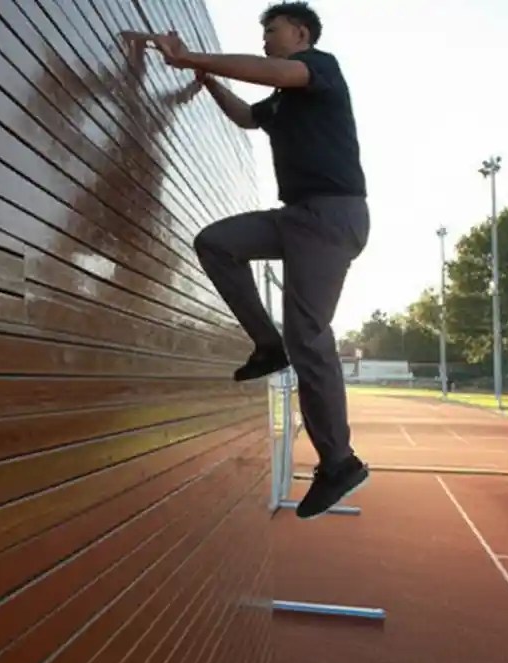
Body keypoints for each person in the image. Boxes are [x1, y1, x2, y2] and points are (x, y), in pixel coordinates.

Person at [146, 2, 369, 519]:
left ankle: (339, 462)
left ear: (300, 32)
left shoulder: (322, 68)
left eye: (270, 31)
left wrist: (187, 57)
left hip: (332, 216)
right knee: (216, 242)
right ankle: (268, 345)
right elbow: (248, 117)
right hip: (296, 217)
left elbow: (273, 70)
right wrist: (207, 80)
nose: (266, 39)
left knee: (309, 336)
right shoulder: (281, 102)